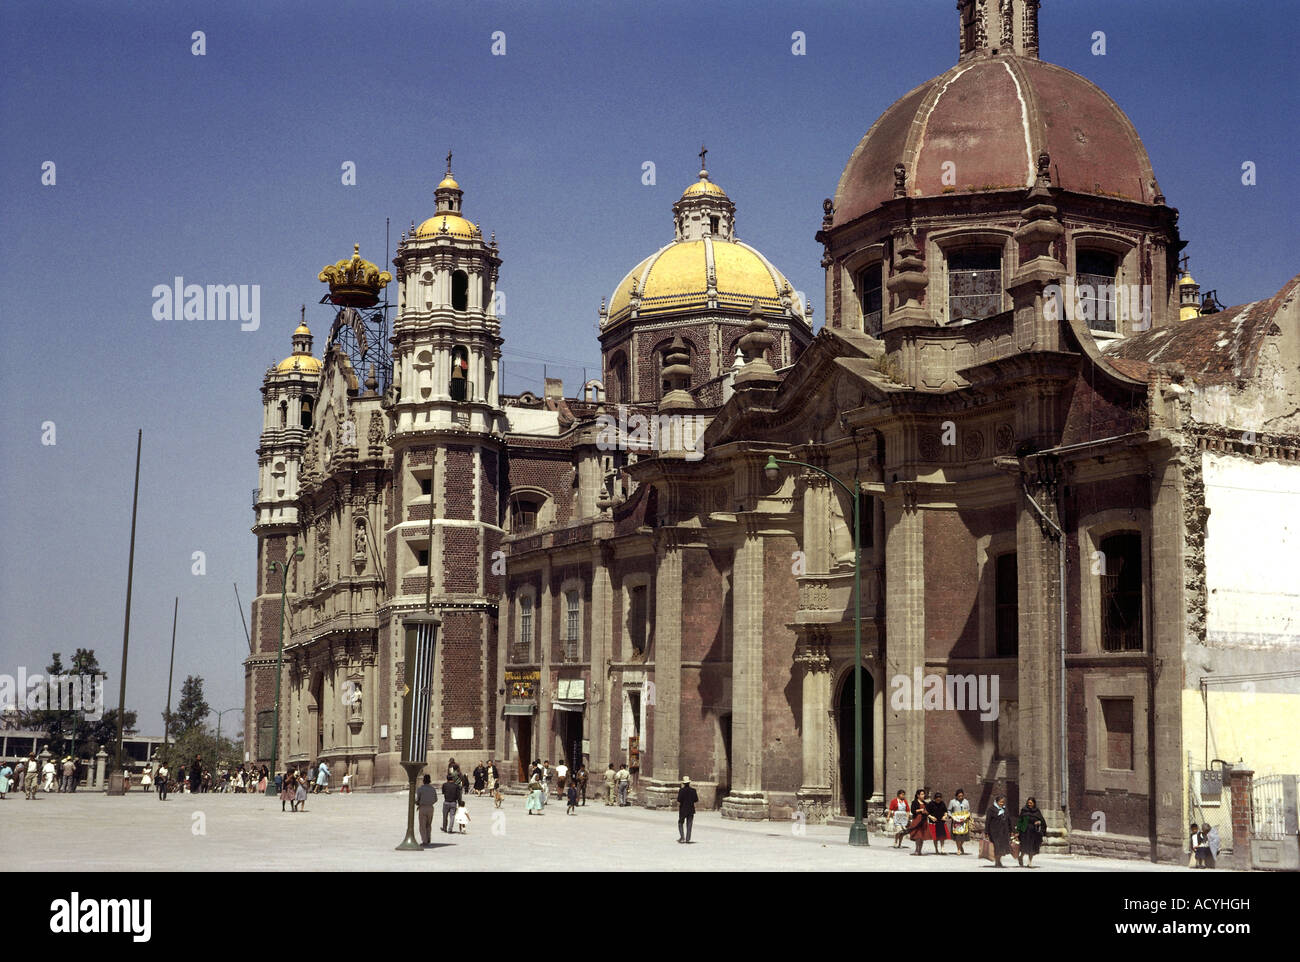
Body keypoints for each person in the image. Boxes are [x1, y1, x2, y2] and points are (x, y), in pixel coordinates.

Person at [984, 794, 1014, 867]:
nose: (1002, 803)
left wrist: (1012, 830)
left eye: (1003, 802)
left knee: (1002, 847)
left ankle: (999, 860)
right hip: (994, 832)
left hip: (1004, 831)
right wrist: (986, 831)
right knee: (997, 847)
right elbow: (988, 821)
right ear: (996, 802)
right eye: (1000, 802)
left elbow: (1009, 820)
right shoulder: (991, 809)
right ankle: (997, 861)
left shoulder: (1005, 809)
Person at [1017, 797, 1047, 867]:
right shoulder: (1024, 810)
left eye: (1031, 803)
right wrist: (1017, 831)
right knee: (1024, 847)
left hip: (1034, 832)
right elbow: (1020, 821)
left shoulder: (1037, 811)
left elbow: (1042, 821)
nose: (1029, 804)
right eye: (1028, 803)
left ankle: (1029, 862)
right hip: (1025, 832)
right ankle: (1021, 857)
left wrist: (1039, 822)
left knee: (1032, 847)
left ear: (1034, 803)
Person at [908, 789, 933, 855]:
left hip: (923, 820)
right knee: (918, 836)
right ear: (918, 795)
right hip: (917, 820)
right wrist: (920, 810)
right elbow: (913, 811)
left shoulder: (925, 803)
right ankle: (916, 849)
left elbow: (928, 812)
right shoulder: (914, 802)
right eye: (921, 794)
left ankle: (920, 850)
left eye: (923, 794)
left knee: (922, 836)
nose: (923, 795)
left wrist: (927, 812)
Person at [416, 774, 439, 846]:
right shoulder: (433, 789)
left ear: (423, 780)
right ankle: (428, 838)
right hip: (430, 808)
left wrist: (418, 803)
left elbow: (417, 800)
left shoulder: (420, 789)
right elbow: (435, 799)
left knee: (422, 825)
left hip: (422, 808)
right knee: (429, 824)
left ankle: (424, 841)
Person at [948, 788, 972, 855]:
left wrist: (968, 816)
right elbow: (949, 810)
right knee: (958, 835)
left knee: (964, 835)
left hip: (964, 820)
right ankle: (958, 849)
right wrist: (951, 816)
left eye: (962, 796)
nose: (960, 797)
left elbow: (968, 810)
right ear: (956, 796)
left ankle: (960, 846)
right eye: (959, 796)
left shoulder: (966, 802)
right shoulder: (952, 802)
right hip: (956, 821)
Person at [677, 776, 699, 843]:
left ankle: (682, 837)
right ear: (689, 783)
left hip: (683, 809)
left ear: (683, 783)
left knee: (680, 823)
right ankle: (688, 838)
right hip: (691, 809)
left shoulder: (681, 790)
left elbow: (679, 800)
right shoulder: (693, 790)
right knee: (689, 824)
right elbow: (696, 800)